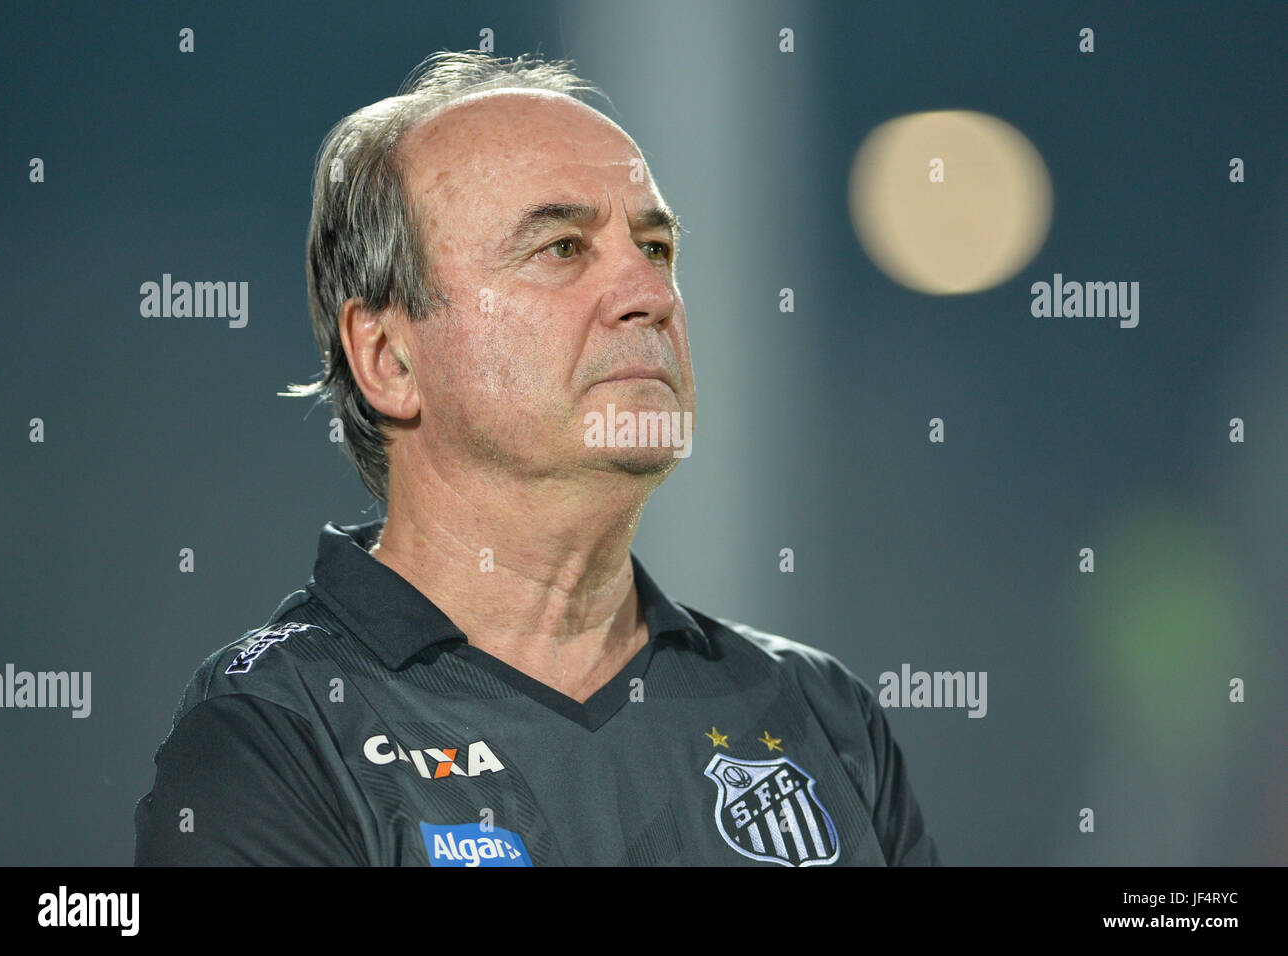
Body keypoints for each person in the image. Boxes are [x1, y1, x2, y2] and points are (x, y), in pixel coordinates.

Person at [133, 50, 940, 867]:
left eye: (656, 249)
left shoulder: (821, 713)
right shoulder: (279, 731)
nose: (651, 294)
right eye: (561, 248)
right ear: (389, 359)